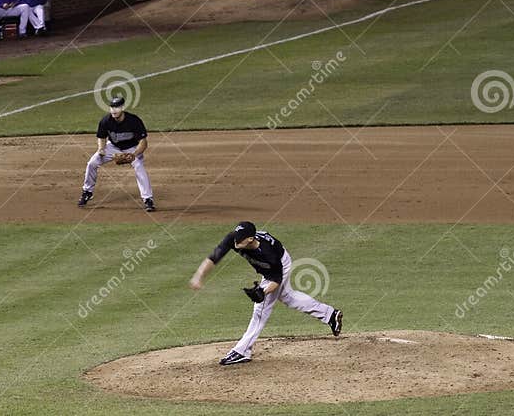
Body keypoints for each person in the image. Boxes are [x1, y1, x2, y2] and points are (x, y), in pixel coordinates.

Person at [189, 221, 343, 365]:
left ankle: (242, 351)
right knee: (288, 297)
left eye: (239, 241)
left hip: (279, 265)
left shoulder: (268, 253)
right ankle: (330, 314)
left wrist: (262, 291)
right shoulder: (235, 238)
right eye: (235, 239)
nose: (235, 243)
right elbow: (214, 256)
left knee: (261, 308)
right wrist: (198, 276)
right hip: (271, 267)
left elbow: (276, 279)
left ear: (250, 239)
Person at [77, 95, 154, 211]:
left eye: (117, 107)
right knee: (92, 163)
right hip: (113, 147)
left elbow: (143, 142)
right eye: (112, 107)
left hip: (132, 148)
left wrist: (134, 154)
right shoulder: (106, 121)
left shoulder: (134, 121)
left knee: (138, 166)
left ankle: (148, 199)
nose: (114, 110)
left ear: (122, 108)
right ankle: (87, 191)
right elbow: (101, 137)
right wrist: (101, 149)